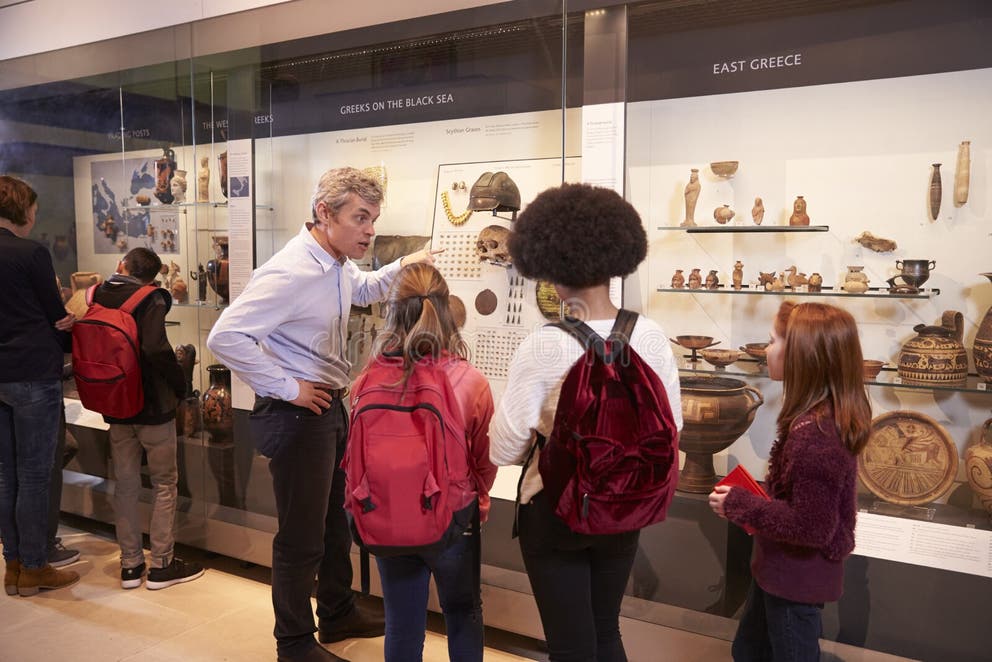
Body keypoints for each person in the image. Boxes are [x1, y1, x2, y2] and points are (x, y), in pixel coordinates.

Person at [207, 166, 440, 662]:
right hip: (297, 415)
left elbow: (362, 290)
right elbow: (225, 337)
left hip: (327, 408)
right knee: (301, 536)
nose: (369, 229)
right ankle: (292, 642)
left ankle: (337, 612)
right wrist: (287, 387)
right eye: (360, 218)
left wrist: (409, 264)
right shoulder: (291, 270)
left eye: (373, 219)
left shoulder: (335, 262)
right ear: (324, 213)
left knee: (337, 520)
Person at [488, 183, 683, 662]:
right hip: (625, 506)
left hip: (556, 508)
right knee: (604, 631)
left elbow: (505, 448)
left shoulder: (544, 345)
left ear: (548, 267)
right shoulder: (652, 336)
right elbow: (672, 429)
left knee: (569, 644)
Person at [708, 301, 871, 662]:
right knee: (749, 651)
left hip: (793, 580)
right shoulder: (814, 421)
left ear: (801, 355)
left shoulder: (816, 435)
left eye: (772, 341)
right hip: (780, 572)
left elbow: (811, 526)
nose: (766, 349)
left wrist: (740, 503)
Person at [355, 262, 497, 662]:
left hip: (386, 514)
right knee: (463, 613)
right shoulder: (470, 380)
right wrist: (480, 500)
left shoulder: (368, 378)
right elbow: (484, 459)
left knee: (401, 621)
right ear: (445, 310)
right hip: (453, 515)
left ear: (392, 311)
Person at [88, 247, 204, 590]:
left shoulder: (97, 293)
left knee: (125, 483)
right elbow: (156, 349)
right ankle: (162, 565)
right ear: (152, 277)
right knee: (165, 483)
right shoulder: (151, 298)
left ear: (123, 265)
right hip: (152, 407)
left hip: (115, 402)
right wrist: (180, 383)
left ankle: (129, 565)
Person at [0, 175, 79, 596]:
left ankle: (12, 563)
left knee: (5, 474)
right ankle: (34, 566)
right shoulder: (31, 253)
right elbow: (57, 316)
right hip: (32, 371)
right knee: (34, 476)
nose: (35, 214)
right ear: (22, 209)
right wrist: (65, 321)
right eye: (32, 207)